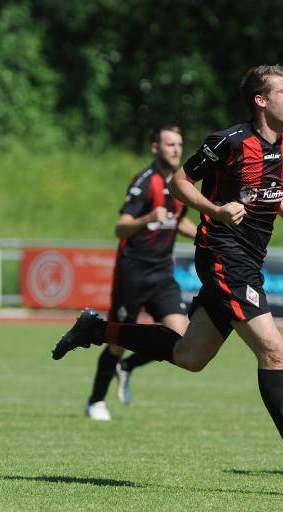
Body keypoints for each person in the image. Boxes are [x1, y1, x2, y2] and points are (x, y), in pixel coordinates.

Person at [52, 64, 283, 491]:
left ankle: (96, 329)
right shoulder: (228, 142)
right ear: (261, 101)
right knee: (274, 351)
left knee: (190, 356)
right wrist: (214, 211)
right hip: (222, 255)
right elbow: (180, 181)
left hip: (250, 260)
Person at [85, 125, 197, 421]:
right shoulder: (145, 181)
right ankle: (96, 401)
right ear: (155, 148)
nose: (176, 149)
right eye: (170, 144)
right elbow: (120, 227)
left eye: (179, 144)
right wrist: (147, 217)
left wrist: (203, 235)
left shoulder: (182, 183)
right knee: (117, 342)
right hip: (133, 273)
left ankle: (128, 367)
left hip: (163, 274)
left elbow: (177, 221)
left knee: (181, 335)